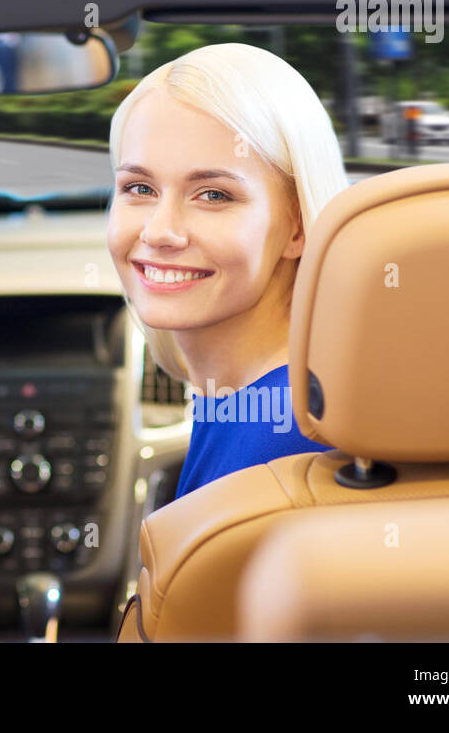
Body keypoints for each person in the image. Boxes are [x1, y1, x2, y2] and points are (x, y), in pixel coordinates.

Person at [106, 42, 349, 498]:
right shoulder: (263, 404)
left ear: (297, 225)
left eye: (214, 195)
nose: (161, 231)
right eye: (139, 187)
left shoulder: (295, 439)